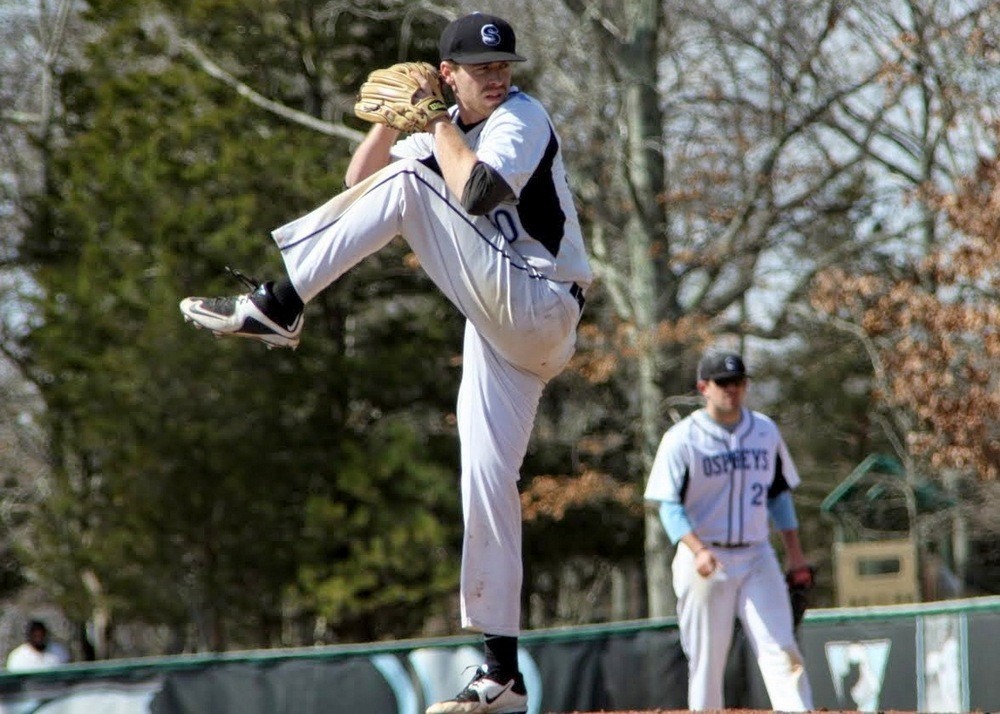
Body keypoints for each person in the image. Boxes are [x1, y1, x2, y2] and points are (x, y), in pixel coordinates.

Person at [179, 12, 591, 714]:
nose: (497, 77)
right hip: (501, 327)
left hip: (541, 300)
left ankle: (280, 304)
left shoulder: (521, 117)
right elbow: (358, 184)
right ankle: (503, 675)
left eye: (502, 65)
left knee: (411, 188)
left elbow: (477, 192)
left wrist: (431, 121)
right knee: (486, 479)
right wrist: (385, 123)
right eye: (481, 68)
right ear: (448, 73)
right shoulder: (441, 126)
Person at [643, 352, 814, 711]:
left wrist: (795, 554)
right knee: (706, 660)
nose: (731, 389)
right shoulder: (682, 438)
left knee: (781, 648)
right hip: (705, 557)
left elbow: (778, 495)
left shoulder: (765, 431)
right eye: (723, 383)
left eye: (738, 382)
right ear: (703, 387)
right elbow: (667, 505)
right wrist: (697, 549)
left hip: (757, 554)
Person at [6, 620, 71, 671]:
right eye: (35, 635)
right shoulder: (17, 657)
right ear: (28, 636)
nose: (39, 638)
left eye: (41, 634)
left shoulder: (60, 652)